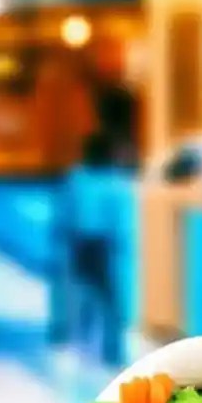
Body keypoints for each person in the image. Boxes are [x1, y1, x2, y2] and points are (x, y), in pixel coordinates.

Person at [56, 131, 134, 365]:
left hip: (79, 243)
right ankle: (112, 349)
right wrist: (122, 242)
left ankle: (81, 342)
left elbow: (66, 212)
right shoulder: (115, 180)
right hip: (103, 244)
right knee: (110, 296)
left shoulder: (76, 177)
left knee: (81, 292)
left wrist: (63, 238)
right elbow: (119, 217)